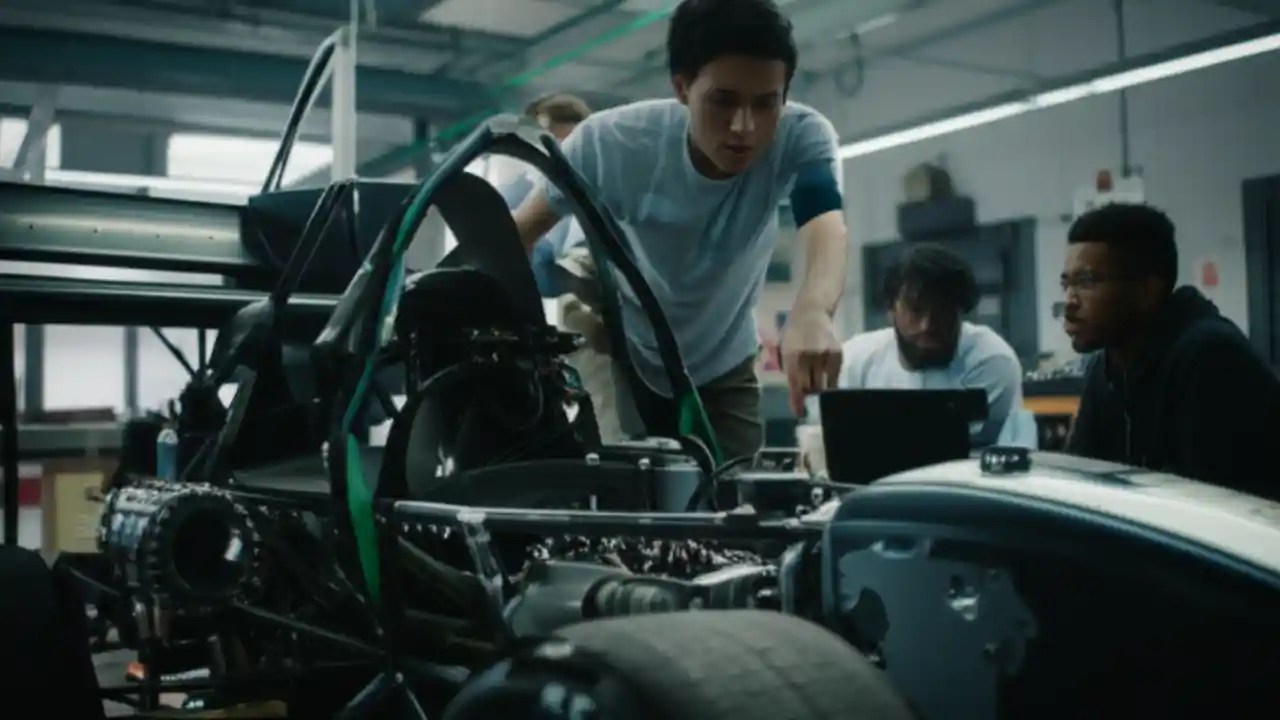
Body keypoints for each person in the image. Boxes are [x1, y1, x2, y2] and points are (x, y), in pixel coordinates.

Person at [511, 0, 848, 461]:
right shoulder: (609, 143)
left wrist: (812, 310)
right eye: (723, 101)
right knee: (620, 479)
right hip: (618, 334)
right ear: (682, 87)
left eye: (765, 104)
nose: (744, 127)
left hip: (722, 353)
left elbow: (826, 224)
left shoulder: (802, 136)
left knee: (733, 491)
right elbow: (518, 233)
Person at [1061, 202, 1280, 500]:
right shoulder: (1105, 367)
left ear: (1147, 291)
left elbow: (1207, 506)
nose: (1069, 301)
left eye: (1085, 282)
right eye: (1066, 284)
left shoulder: (1209, 357)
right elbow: (1079, 479)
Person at [814, 243, 1025, 447]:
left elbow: (953, 450)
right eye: (915, 310)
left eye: (942, 311)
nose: (927, 325)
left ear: (961, 311)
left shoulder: (990, 360)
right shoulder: (856, 360)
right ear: (891, 309)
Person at [498, 93, 593, 297]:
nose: (560, 150)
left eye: (568, 141)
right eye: (548, 141)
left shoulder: (601, 187)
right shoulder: (517, 191)